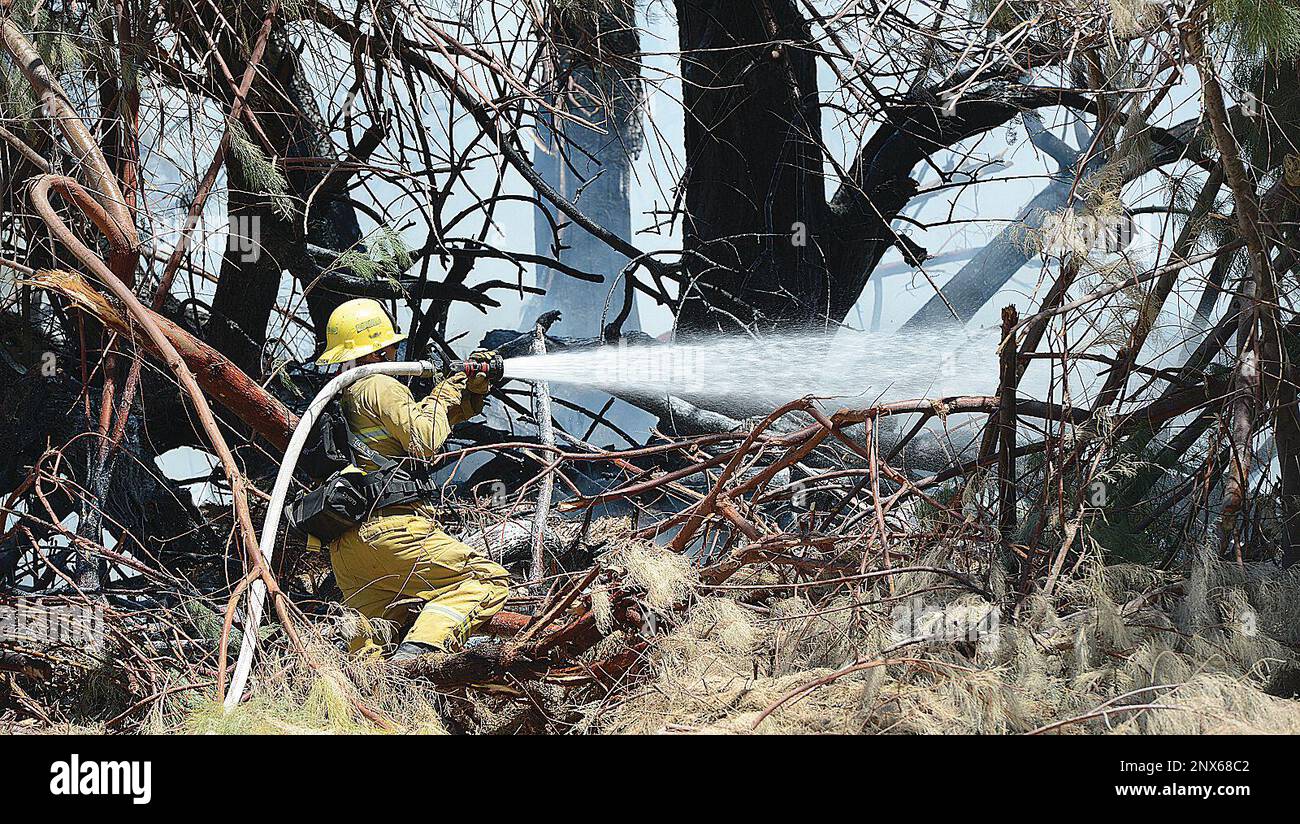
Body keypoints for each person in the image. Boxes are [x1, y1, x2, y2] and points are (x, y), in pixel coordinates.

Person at [314, 298, 511, 660]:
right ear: (380, 349)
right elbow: (424, 440)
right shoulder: (377, 385)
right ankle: (419, 653)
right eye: (390, 345)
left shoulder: (341, 401)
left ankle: (375, 707)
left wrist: (468, 393)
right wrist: (448, 389)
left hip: (348, 549)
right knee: (485, 580)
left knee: (368, 656)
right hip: (394, 534)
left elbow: (406, 434)